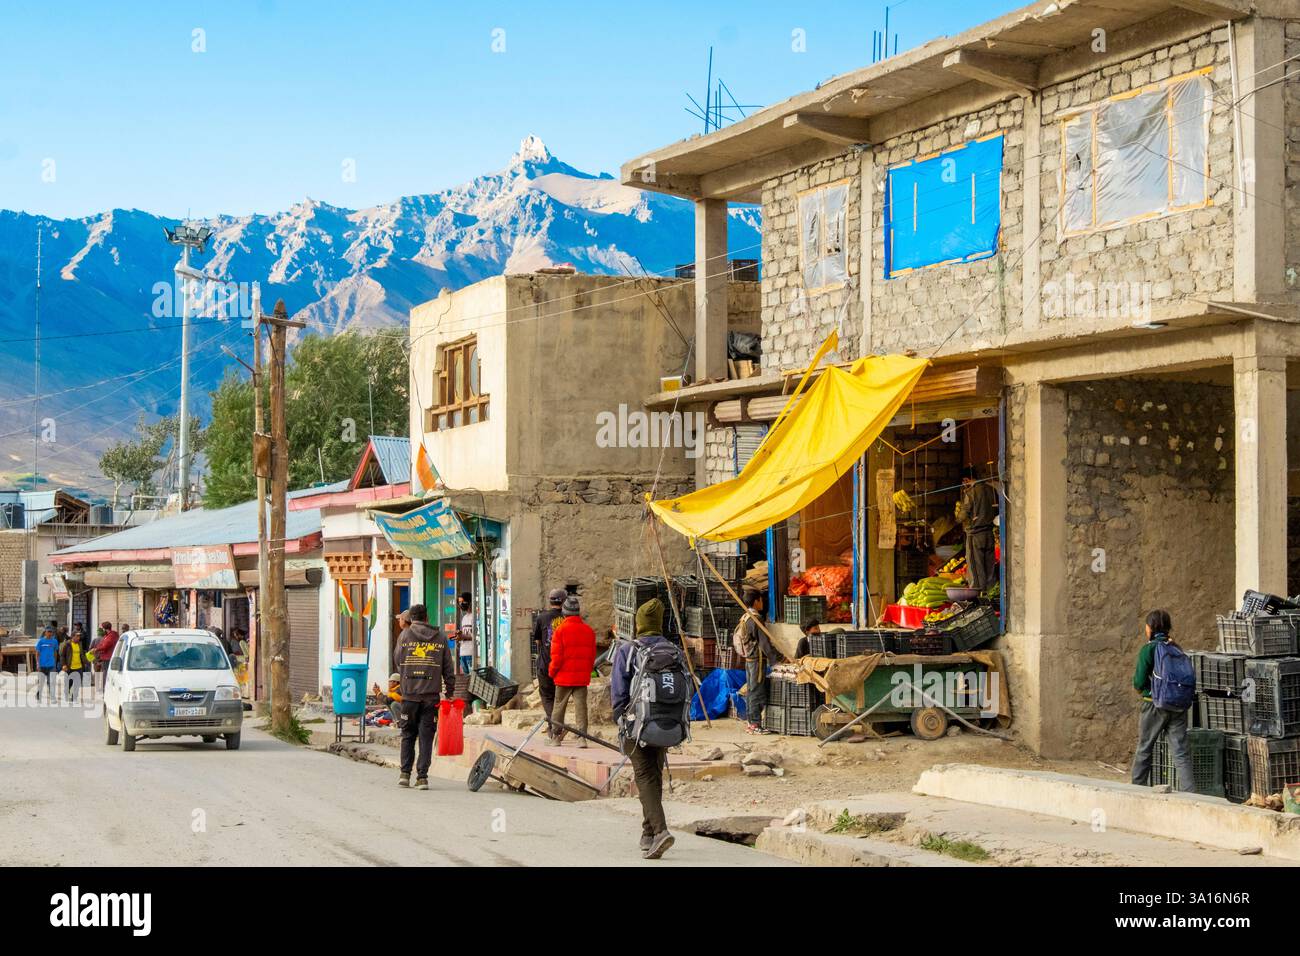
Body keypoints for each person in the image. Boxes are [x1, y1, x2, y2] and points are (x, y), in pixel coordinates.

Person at [611, 598, 675, 860]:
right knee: (654, 774)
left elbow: (618, 691)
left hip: (637, 724)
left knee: (645, 776)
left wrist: (620, 719)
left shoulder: (628, 650)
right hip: (667, 724)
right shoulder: (673, 650)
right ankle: (648, 833)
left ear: (638, 624)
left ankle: (660, 832)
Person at [391, 604, 456, 791]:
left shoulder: (404, 636)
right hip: (431, 697)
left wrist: (408, 677)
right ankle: (422, 778)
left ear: (412, 618)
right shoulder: (441, 637)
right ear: (427, 617)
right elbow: (448, 668)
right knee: (426, 737)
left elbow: (397, 662)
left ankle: (404, 774)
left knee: (408, 735)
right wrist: (450, 691)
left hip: (409, 696)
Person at [1130, 609, 1195, 792]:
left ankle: (1136, 792)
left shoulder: (1148, 649)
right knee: (1181, 753)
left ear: (1150, 628)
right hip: (1179, 706)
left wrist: (1145, 692)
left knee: (1144, 749)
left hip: (1154, 705)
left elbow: (1139, 681)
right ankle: (1191, 795)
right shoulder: (1176, 648)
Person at [548, 595, 597, 747]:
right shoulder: (588, 631)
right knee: (581, 706)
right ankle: (582, 738)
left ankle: (556, 737)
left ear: (565, 613)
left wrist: (552, 672)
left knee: (559, 706)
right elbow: (591, 656)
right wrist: (587, 671)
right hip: (581, 677)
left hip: (563, 676)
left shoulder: (560, 631)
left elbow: (556, 657)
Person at [737, 589, 777, 734]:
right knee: (756, 691)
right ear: (756, 601)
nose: (763, 603)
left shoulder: (745, 617)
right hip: (756, 661)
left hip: (749, 660)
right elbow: (764, 643)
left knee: (751, 690)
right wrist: (775, 660)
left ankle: (751, 723)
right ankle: (755, 724)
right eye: (761, 600)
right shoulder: (756, 619)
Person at [530, 588, 567, 734]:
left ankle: (555, 726)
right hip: (563, 666)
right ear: (564, 601)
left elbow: (538, 641)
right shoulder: (568, 619)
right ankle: (556, 725)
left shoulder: (541, 618)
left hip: (545, 664)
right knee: (560, 698)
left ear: (550, 600)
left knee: (546, 696)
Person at [956, 466, 998, 592]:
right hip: (989, 534)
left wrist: (957, 517)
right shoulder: (992, 490)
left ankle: (977, 597)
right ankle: (991, 595)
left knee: (975, 569)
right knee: (989, 567)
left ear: (966, 479)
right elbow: (997, 509)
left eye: (964, 482)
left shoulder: (970, 493)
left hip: (975, 536)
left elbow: (963, 515)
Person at [60, 628, 88, 704]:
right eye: (77, 636)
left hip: (79, 667)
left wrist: (86, 661)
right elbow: (62, 656)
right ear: (72, 636)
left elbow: (82, 655)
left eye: (79, 636)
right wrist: (63, 665)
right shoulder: (67, 644)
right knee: (69, 683)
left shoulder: (80, 644)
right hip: (69, 667)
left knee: (77, 683)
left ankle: (74, 697)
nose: (78, 638)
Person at [35, 626, 59, 702]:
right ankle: (39, 694)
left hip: (51, 665)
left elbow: (55, 653)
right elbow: (37, 653)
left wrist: (55, 663)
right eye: (48, 632)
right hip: (42, 665)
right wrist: (38, 664)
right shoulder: (40, 641)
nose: (50, 633)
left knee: (51, 681)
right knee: (41, 682)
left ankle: (52, 697)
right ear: (45, 632)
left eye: (51, 632)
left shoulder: (54, 641)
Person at [457, 593, 475, 675]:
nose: (461, 604)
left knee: (472, 679)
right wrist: (458, 637)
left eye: (463, 602)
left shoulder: (475, 616)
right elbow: (465, 634)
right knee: (466, 679)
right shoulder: (464, 618)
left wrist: (464, 636)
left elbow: (477, 636)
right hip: (463, 653)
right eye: (459, 602)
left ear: (469, 601)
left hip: (471, 653)